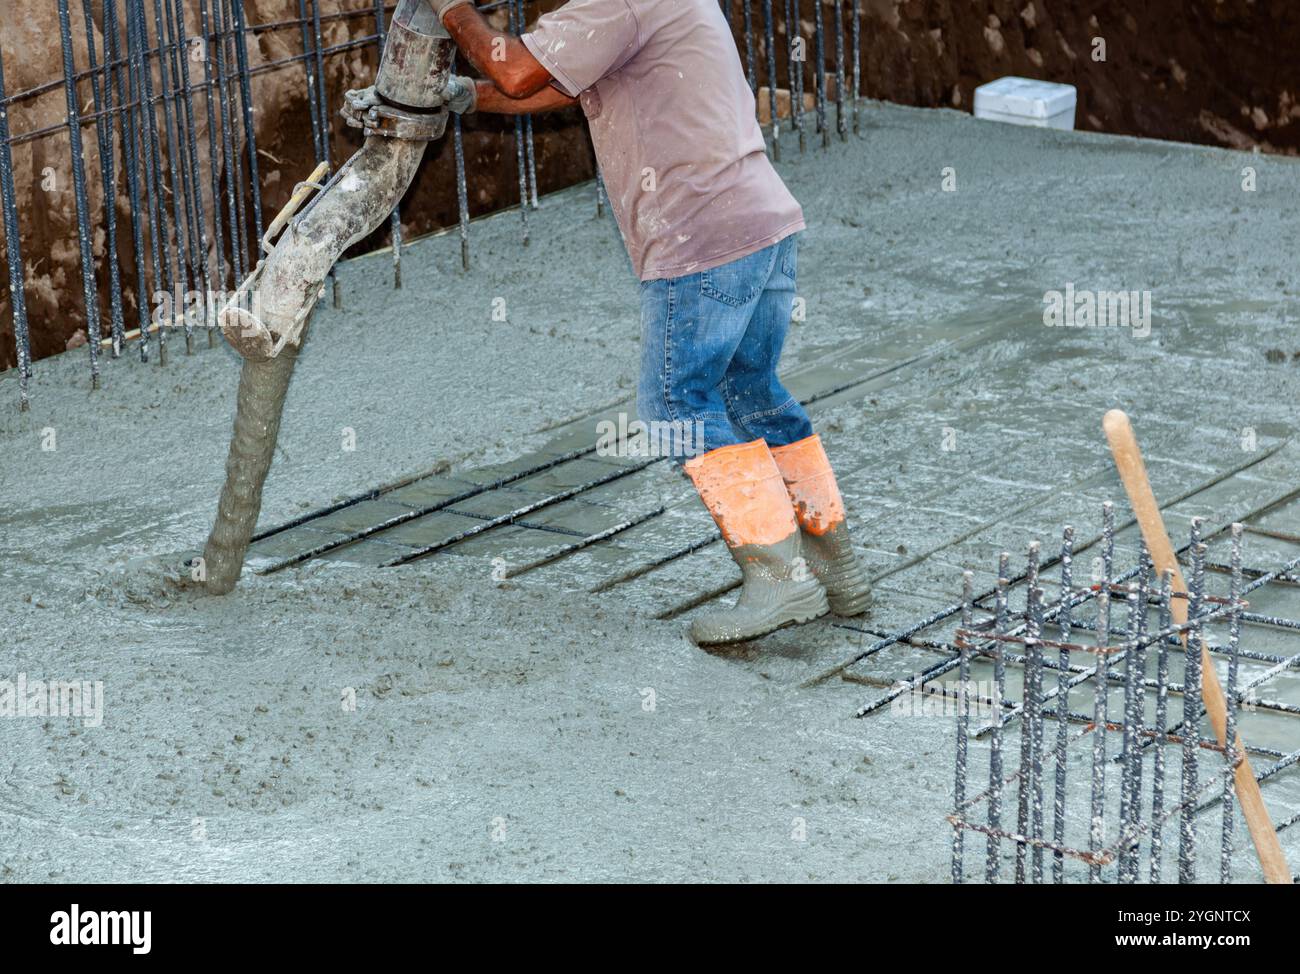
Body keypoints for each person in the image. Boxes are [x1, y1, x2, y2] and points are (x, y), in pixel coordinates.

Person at [430, 0, 871, 644]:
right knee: (752, 395)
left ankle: (778, 580)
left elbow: (521, 71)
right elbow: (558, 81)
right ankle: (835, 565)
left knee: (676, 403)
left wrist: (451, 11)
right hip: (762, 222)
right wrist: (467, 97)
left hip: (701, 235)